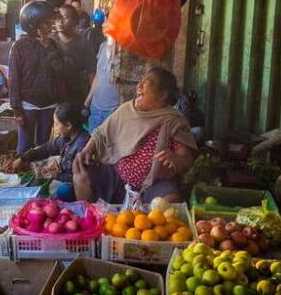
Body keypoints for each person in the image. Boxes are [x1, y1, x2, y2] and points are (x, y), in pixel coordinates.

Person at [73, 67, 197, 204]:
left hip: (154, 184)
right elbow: (100, 133)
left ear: (163, 94)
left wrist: (176, 159)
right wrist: (86, 150)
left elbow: (187, 160)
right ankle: (91, 220)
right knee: (81, 177)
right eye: (140, 81)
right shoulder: (126, 110)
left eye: (147, 82)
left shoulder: (174, 120)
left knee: (170, 200)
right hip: (118, 178)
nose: (139, 85)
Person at [9, 1, 67, 155]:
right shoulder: (19, 47)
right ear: (34, 26)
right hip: (28, 105)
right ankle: (21, 177)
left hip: (49, 105)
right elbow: (14, 80)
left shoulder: (53, 45)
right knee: (24, 147)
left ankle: (39, 176)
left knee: (43, 146)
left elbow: (60, 72)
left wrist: (47, 46)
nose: (51, 26)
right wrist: (17, 110)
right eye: (47, 23)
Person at [11, 102, 90, 202]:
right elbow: (47, 148)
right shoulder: (65, 138)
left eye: (57, 124)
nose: (55, 128)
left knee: (64, 190)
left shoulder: (82, 146)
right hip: (70, 179)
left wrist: (57, 175)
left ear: (69, 125)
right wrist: (23, 158)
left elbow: (84, 178)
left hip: (86, 188)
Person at [54, 4, 96, 105]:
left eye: (65, 17)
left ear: (74, 21)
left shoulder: (83, 43)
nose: (60, 21)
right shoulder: (50, 42)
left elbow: (91, 72)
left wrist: (90, 100)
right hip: (53, 97)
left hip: (76, 95)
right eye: (58, 17)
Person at [84, 38, 120, 132]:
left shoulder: (125, 53)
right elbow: (98, 75)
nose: (104, 25)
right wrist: (87, 101)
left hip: (112, 110)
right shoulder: (103, 46)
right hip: (96, 106)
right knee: (92, 139)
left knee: (108, 143)